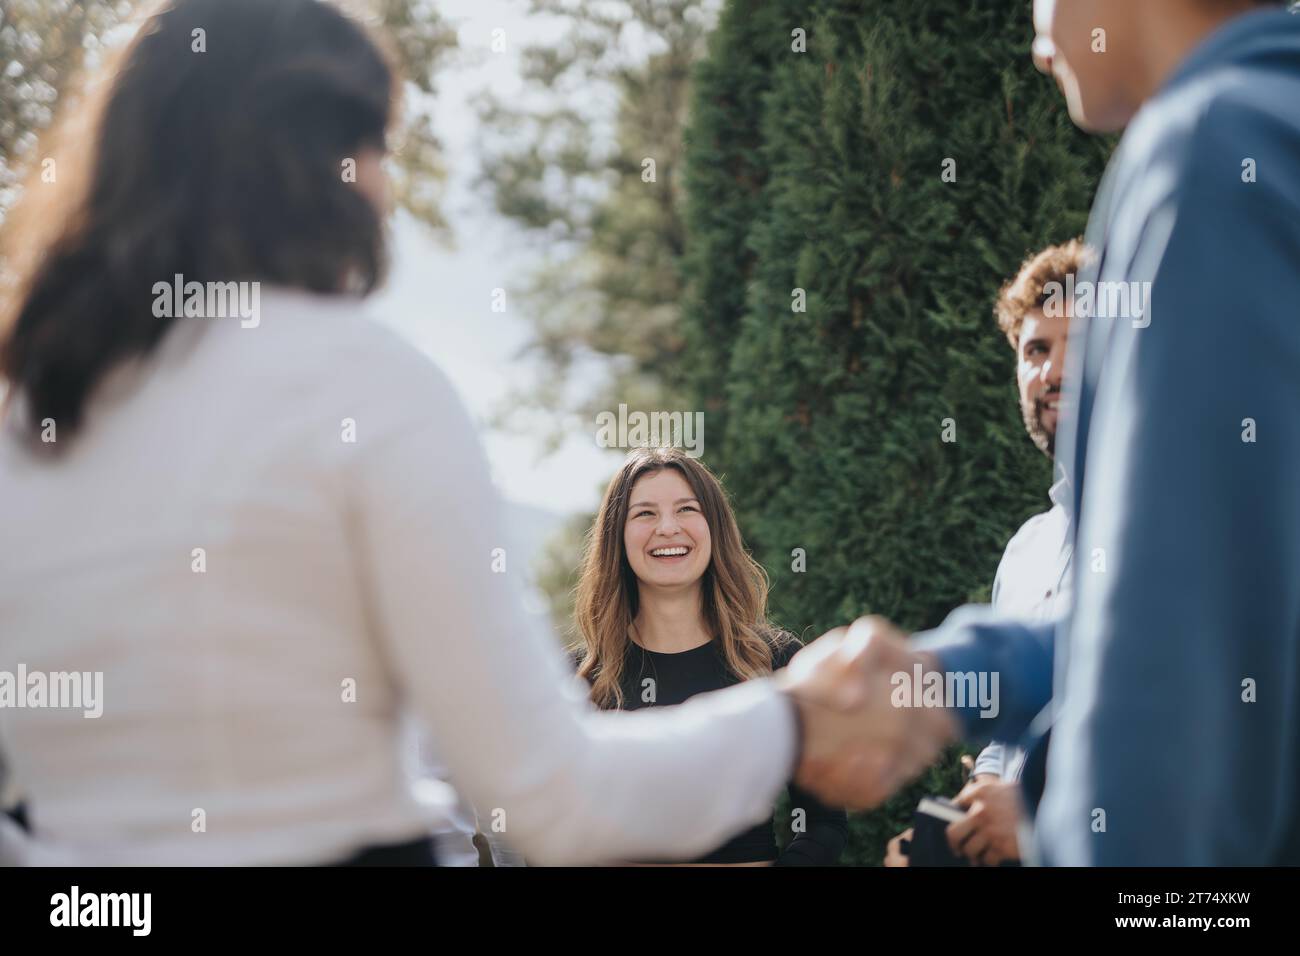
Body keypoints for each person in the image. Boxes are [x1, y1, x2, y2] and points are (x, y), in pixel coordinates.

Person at [0, 0, 881, 867]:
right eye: (380, 144)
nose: (384, 181)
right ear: (326, 159)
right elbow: (554, 803)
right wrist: (794, 717)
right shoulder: (362, 381)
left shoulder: (30, 409)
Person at [794, 0, 1300, 865]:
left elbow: (1194, 652)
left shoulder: (1208, 144)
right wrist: (955, 675)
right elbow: (1219, 596)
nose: (1037, 42)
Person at [885, 240, 1086, 867]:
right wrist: (961, 822)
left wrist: (1037, 814)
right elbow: (1004, 733)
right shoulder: (1026, 549)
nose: (1053, 372)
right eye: (1036, 350)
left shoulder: (1174, 519)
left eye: (1078, 344)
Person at [574, 448, 848, 865]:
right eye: (644, 514)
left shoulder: (779, 662)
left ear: (714, 527)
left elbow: (824, 822)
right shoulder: (578, 679)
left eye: (687, 509)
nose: (668, 528)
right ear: (617, 536)